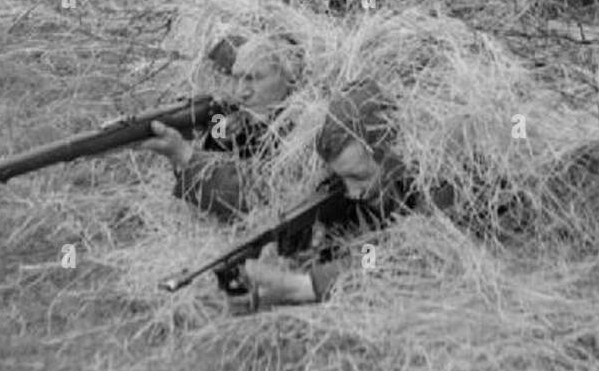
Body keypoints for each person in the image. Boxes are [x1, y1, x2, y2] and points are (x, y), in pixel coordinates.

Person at [240, 80, 456, 307]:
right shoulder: (352, 186)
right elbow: (369, 245)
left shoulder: (439, 186)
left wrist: (303, 285)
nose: (351, 192)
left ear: (394, 152)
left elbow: (397, 256)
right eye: (342, 178)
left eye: (358, 177)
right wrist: (286, 245)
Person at [147, 35, 301, 220]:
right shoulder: (224, 111)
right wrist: (220, 139)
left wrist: (185, 155)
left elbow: (261, 196)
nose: (240, 91)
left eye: (253, 78)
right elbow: (216, 135)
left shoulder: (303, 126)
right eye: (235, 78)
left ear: (291, 77)